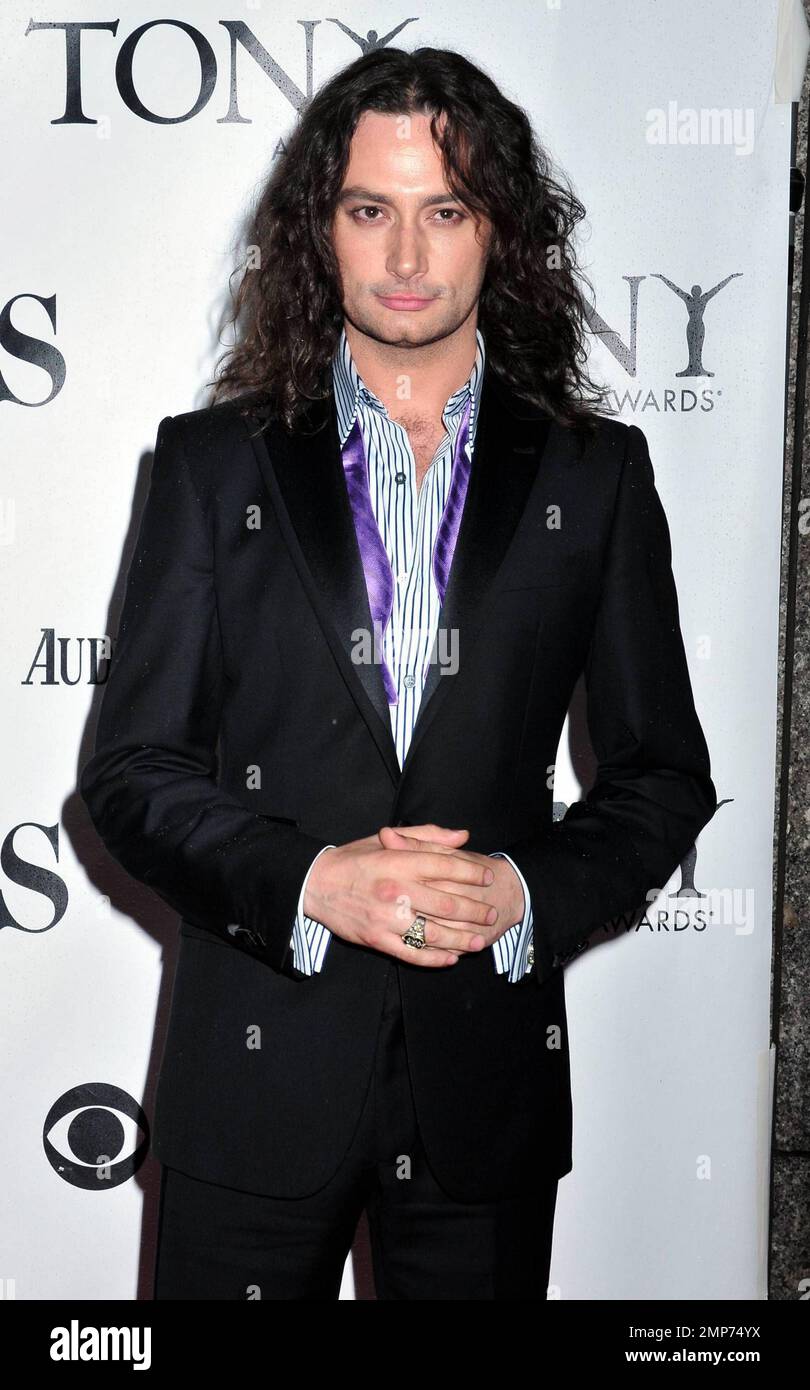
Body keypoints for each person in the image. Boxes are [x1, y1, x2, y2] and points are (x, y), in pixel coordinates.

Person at [79, 45, 717, 1300]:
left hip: (483, 1084)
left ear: (500, 234)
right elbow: (132, 773)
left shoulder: (596, 477)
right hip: (253, 1072)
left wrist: (522, 888)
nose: (409, 258)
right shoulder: (216, 466)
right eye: (372, 211)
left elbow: (662, 775)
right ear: (323, 231)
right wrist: (311, 880)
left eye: (447, 212)